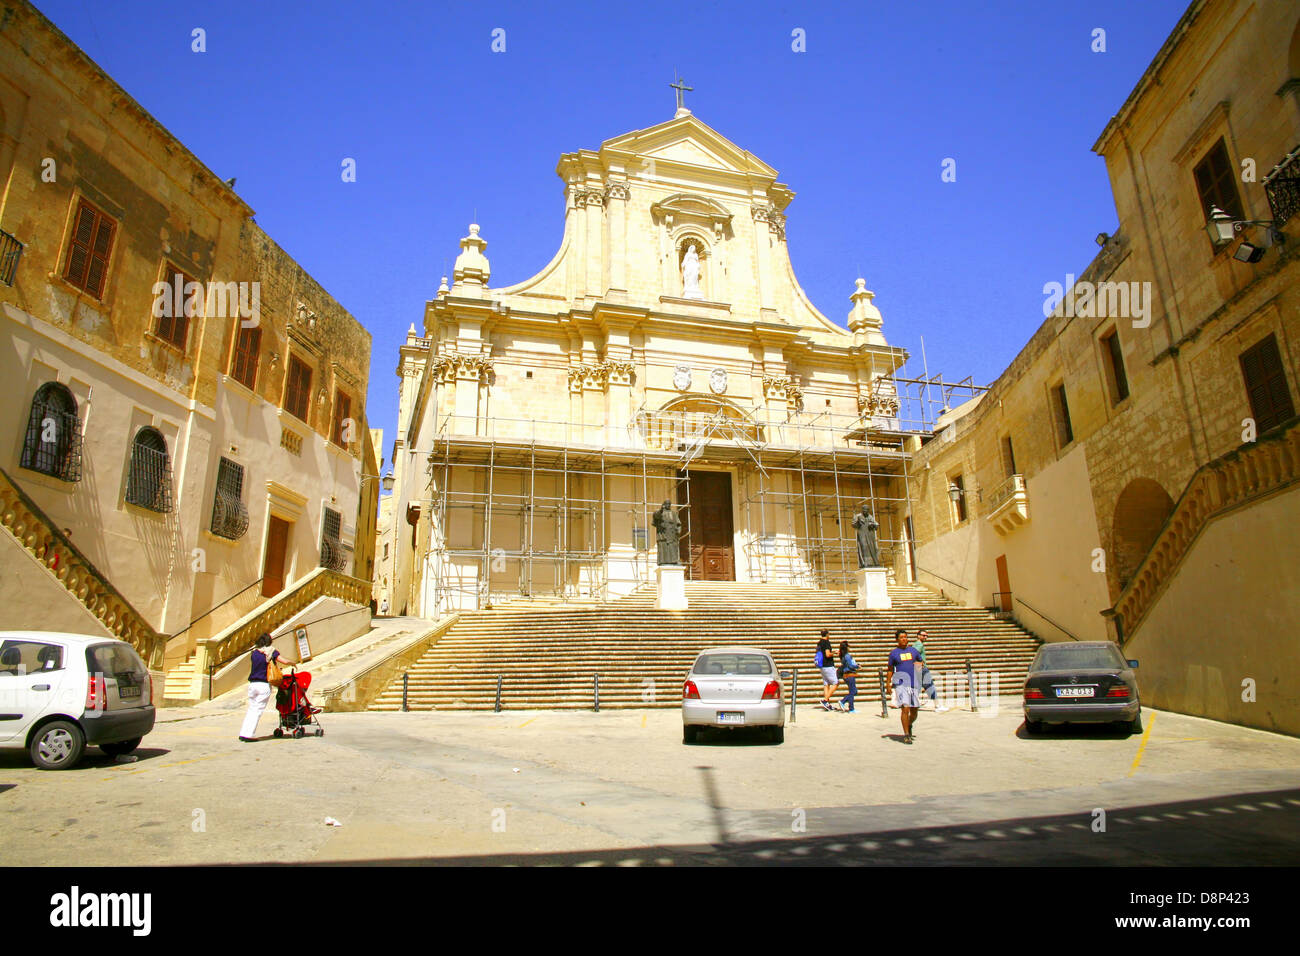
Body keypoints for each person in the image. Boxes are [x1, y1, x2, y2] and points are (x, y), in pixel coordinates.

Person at [239, 633, 295, 742]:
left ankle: (243, 732)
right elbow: (284, 661)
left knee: (251, 709)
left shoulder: (254, 653)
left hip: (252, 684)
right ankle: (249, 734)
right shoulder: (271, 652)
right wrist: (293, 663)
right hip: (263, 685)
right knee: (257, 710)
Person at [886, 628, 921, 743]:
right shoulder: (894, 653)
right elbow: (890, 669)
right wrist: (888, 683)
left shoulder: (914, 651)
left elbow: (920, 663)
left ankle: (909, 724)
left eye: (905, 637)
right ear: (897, 640)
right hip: (901, 684)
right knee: (905, 708)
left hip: (913, 683)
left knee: (914, 710)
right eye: (901, 637)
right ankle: (906, 734)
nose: (904, 639)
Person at [815, 629, 839, 710]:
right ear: (827, 634)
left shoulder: (819, 642)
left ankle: (827, 704)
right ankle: (825, 700)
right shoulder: (826, 642)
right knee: (836, 683)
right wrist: (835, 653)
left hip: (822, 665)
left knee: (826, 684)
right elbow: (828, 654)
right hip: (828, 665)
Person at [838, 641, 859, 712]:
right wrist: (857, 666)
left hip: (846, 675)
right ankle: (843, 702)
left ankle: (851, 708)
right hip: (849, 674)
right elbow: (850, 665)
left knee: (853, 691)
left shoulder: (843, 656)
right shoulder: (847, 656)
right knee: (853, 691)